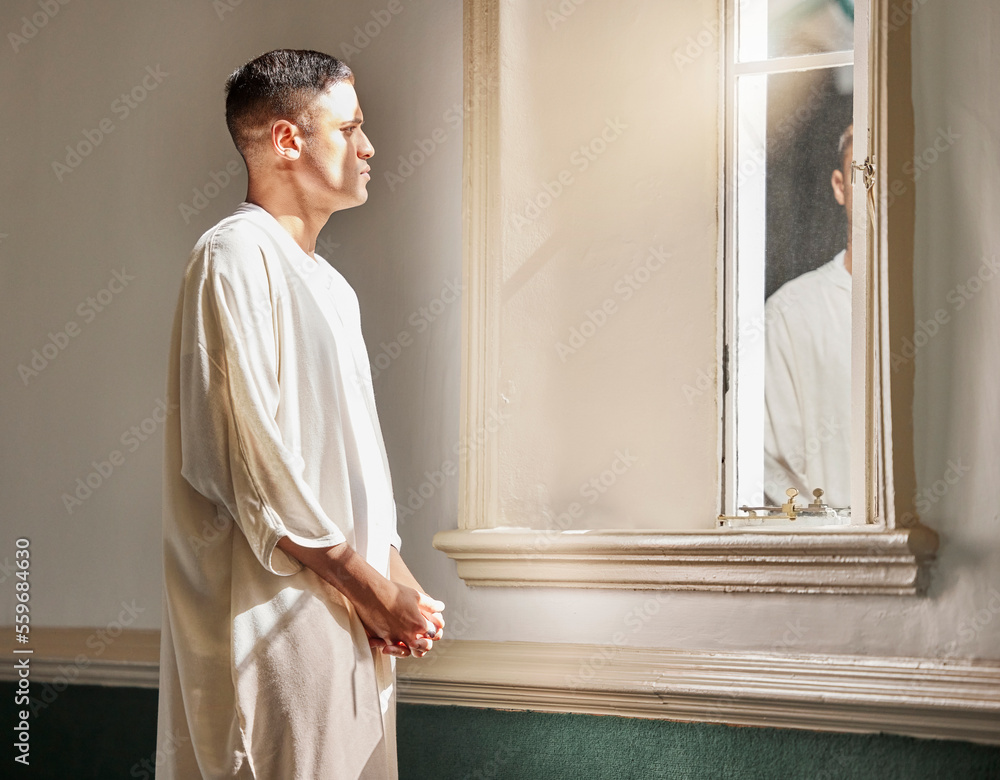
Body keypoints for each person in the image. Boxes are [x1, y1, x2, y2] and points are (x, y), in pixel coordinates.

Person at [156, 49, 445, 779]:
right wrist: (372, 588)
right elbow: (251, 465)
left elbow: (346, 465)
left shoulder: (333, 289)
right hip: (275, 625)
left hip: (352, 618)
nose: (369, 147)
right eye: (350, 128)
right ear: (288, 140)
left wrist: (398, 583)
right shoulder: (233, 256)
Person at [763, 124, 854, 508]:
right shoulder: (790, 315)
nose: (880, 191)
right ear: (839, 186)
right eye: (864, 174)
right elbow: (770, 464)